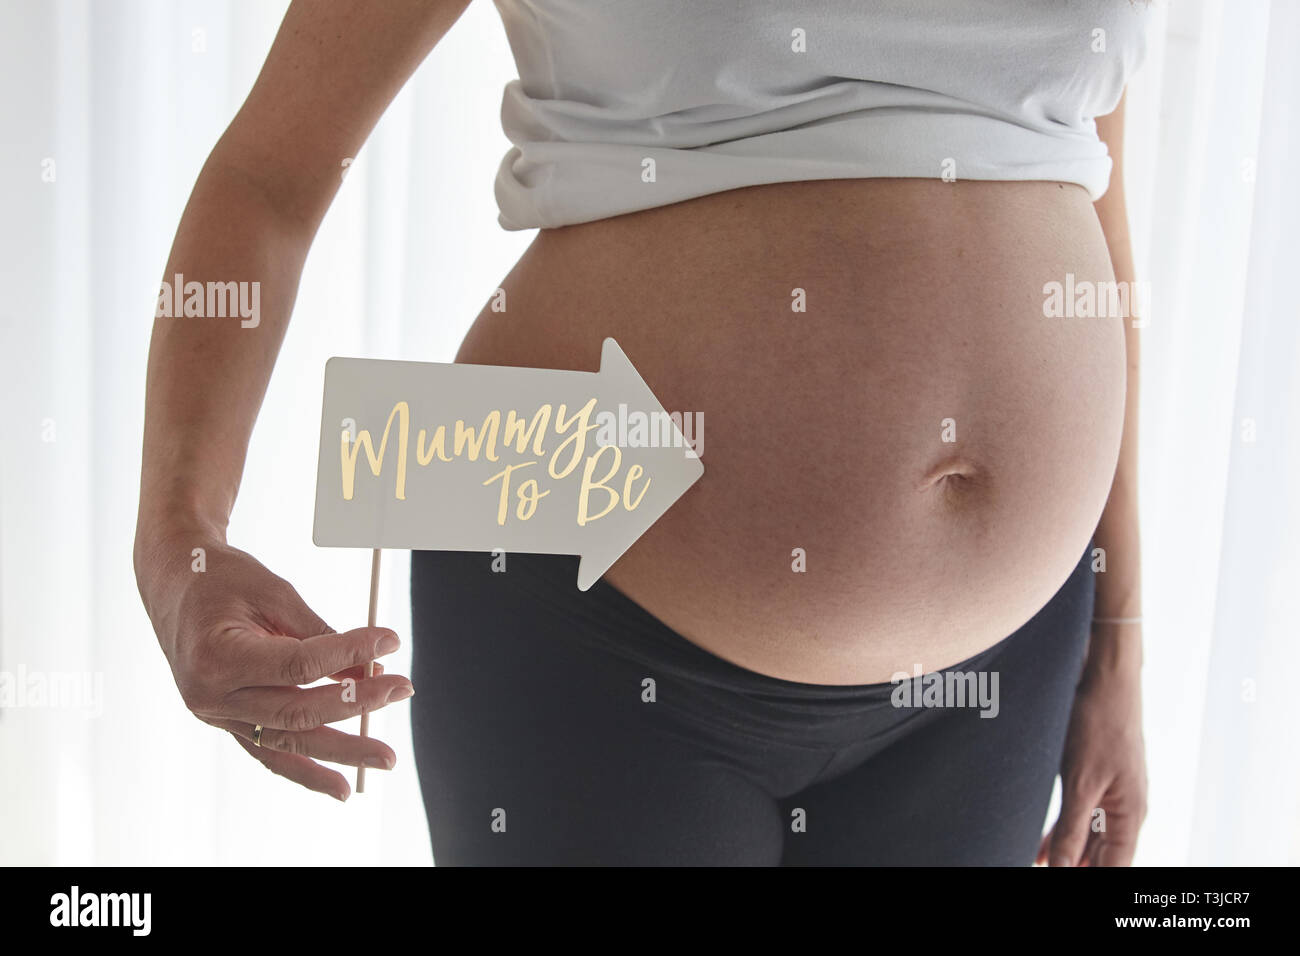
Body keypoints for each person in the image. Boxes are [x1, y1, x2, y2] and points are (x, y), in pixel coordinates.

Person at [134, 0, 1149, 866]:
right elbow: (271, 175)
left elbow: (1084, 184)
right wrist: (180, 538)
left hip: (1000, 665)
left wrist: (1121, 639)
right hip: (587, 609)